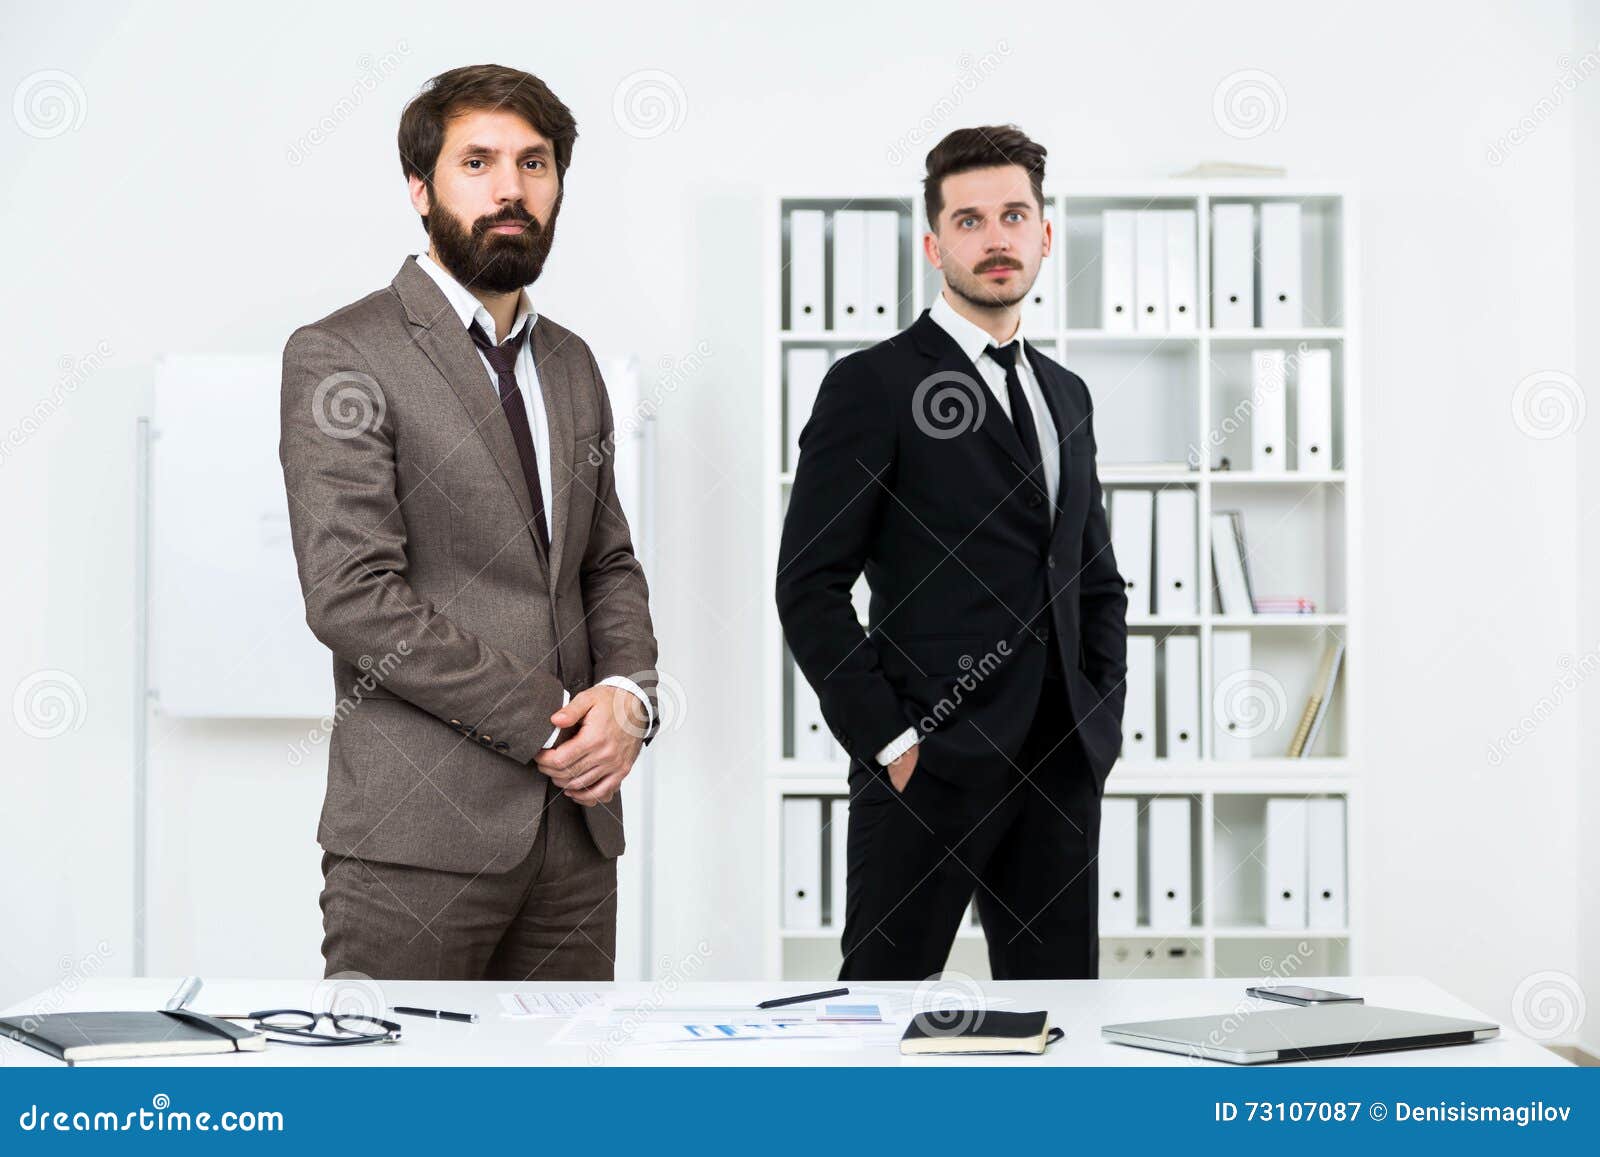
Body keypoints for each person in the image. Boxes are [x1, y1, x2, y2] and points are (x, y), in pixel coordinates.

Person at [279, 64, 658, 981]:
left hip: (574, 846)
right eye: (477, 162)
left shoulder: (572, 364)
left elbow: (605, 562)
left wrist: (631, 697)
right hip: (416, 845)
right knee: (390, 1124)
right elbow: (354, 599)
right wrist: (556, 723)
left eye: (535, 163)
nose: (511, 189)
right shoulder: (342, 354)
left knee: (556, 1124)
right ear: (421, 188)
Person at [775, 125, 1129, 981]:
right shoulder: (876, 383)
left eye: (1015, 215)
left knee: (1058, 1024)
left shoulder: (1066, 394)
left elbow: (1093, 580)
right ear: (934, 245)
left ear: (1046, 234)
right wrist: (890, 738)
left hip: (1060, 766)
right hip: (929, 764)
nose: (996, 237)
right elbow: (809, 584)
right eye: (970, 221)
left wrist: (1099, 720)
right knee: (879, 1019)